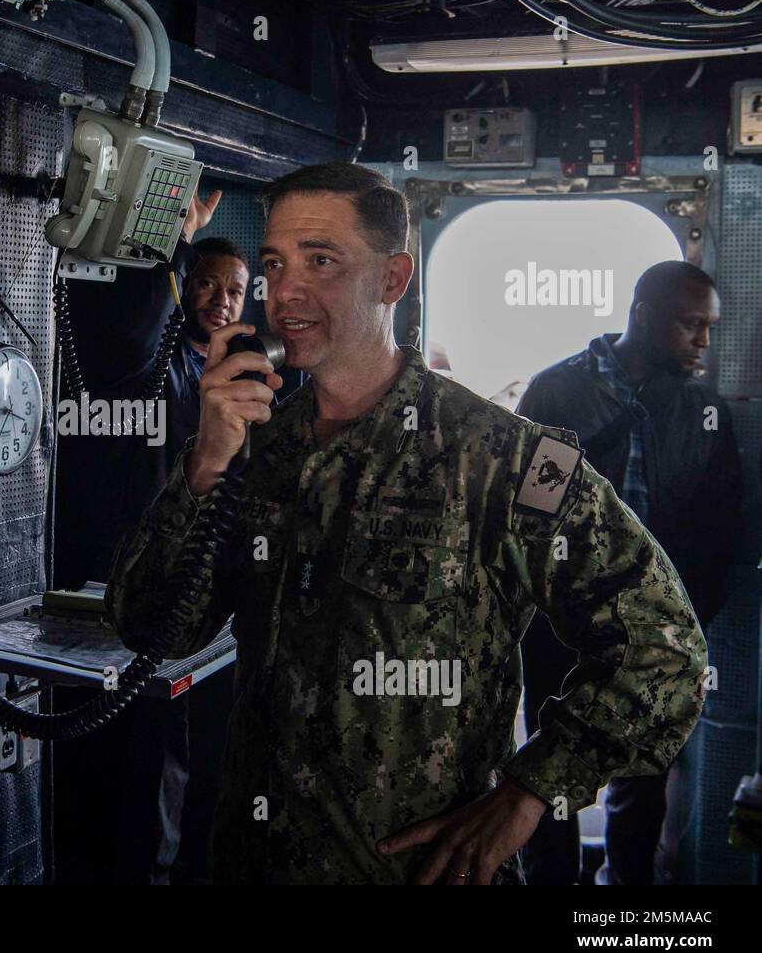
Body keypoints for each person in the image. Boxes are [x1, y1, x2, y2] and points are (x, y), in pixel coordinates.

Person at [106, 162, 708, 884]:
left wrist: (528, 792)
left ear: (393, 279)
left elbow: (665, 649)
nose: (285, 291)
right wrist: (205, 465)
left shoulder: (498, 457)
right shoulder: (252, 448)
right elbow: (151, 631)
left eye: (321, 261)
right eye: (274, 263)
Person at [516, 261, 747, 885]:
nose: (703, 341)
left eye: (709, 328)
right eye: (689, 325)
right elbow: (533, 514)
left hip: (655, 633)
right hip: (562, 623)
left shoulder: (703, 409)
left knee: (642, 785)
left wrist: (686, 618)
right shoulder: (558, 391)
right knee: (548, 776)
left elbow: (721, 526)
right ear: (642, 314)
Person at [53, 192, 261, 884]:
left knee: (191, 757)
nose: (221, 301)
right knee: (132, 760)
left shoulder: (242, 381)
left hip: (206, 598)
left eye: (236, 292)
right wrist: (171, 241)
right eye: (207, 283)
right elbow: (137, 335)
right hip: (132, 577)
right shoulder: (158, 363)